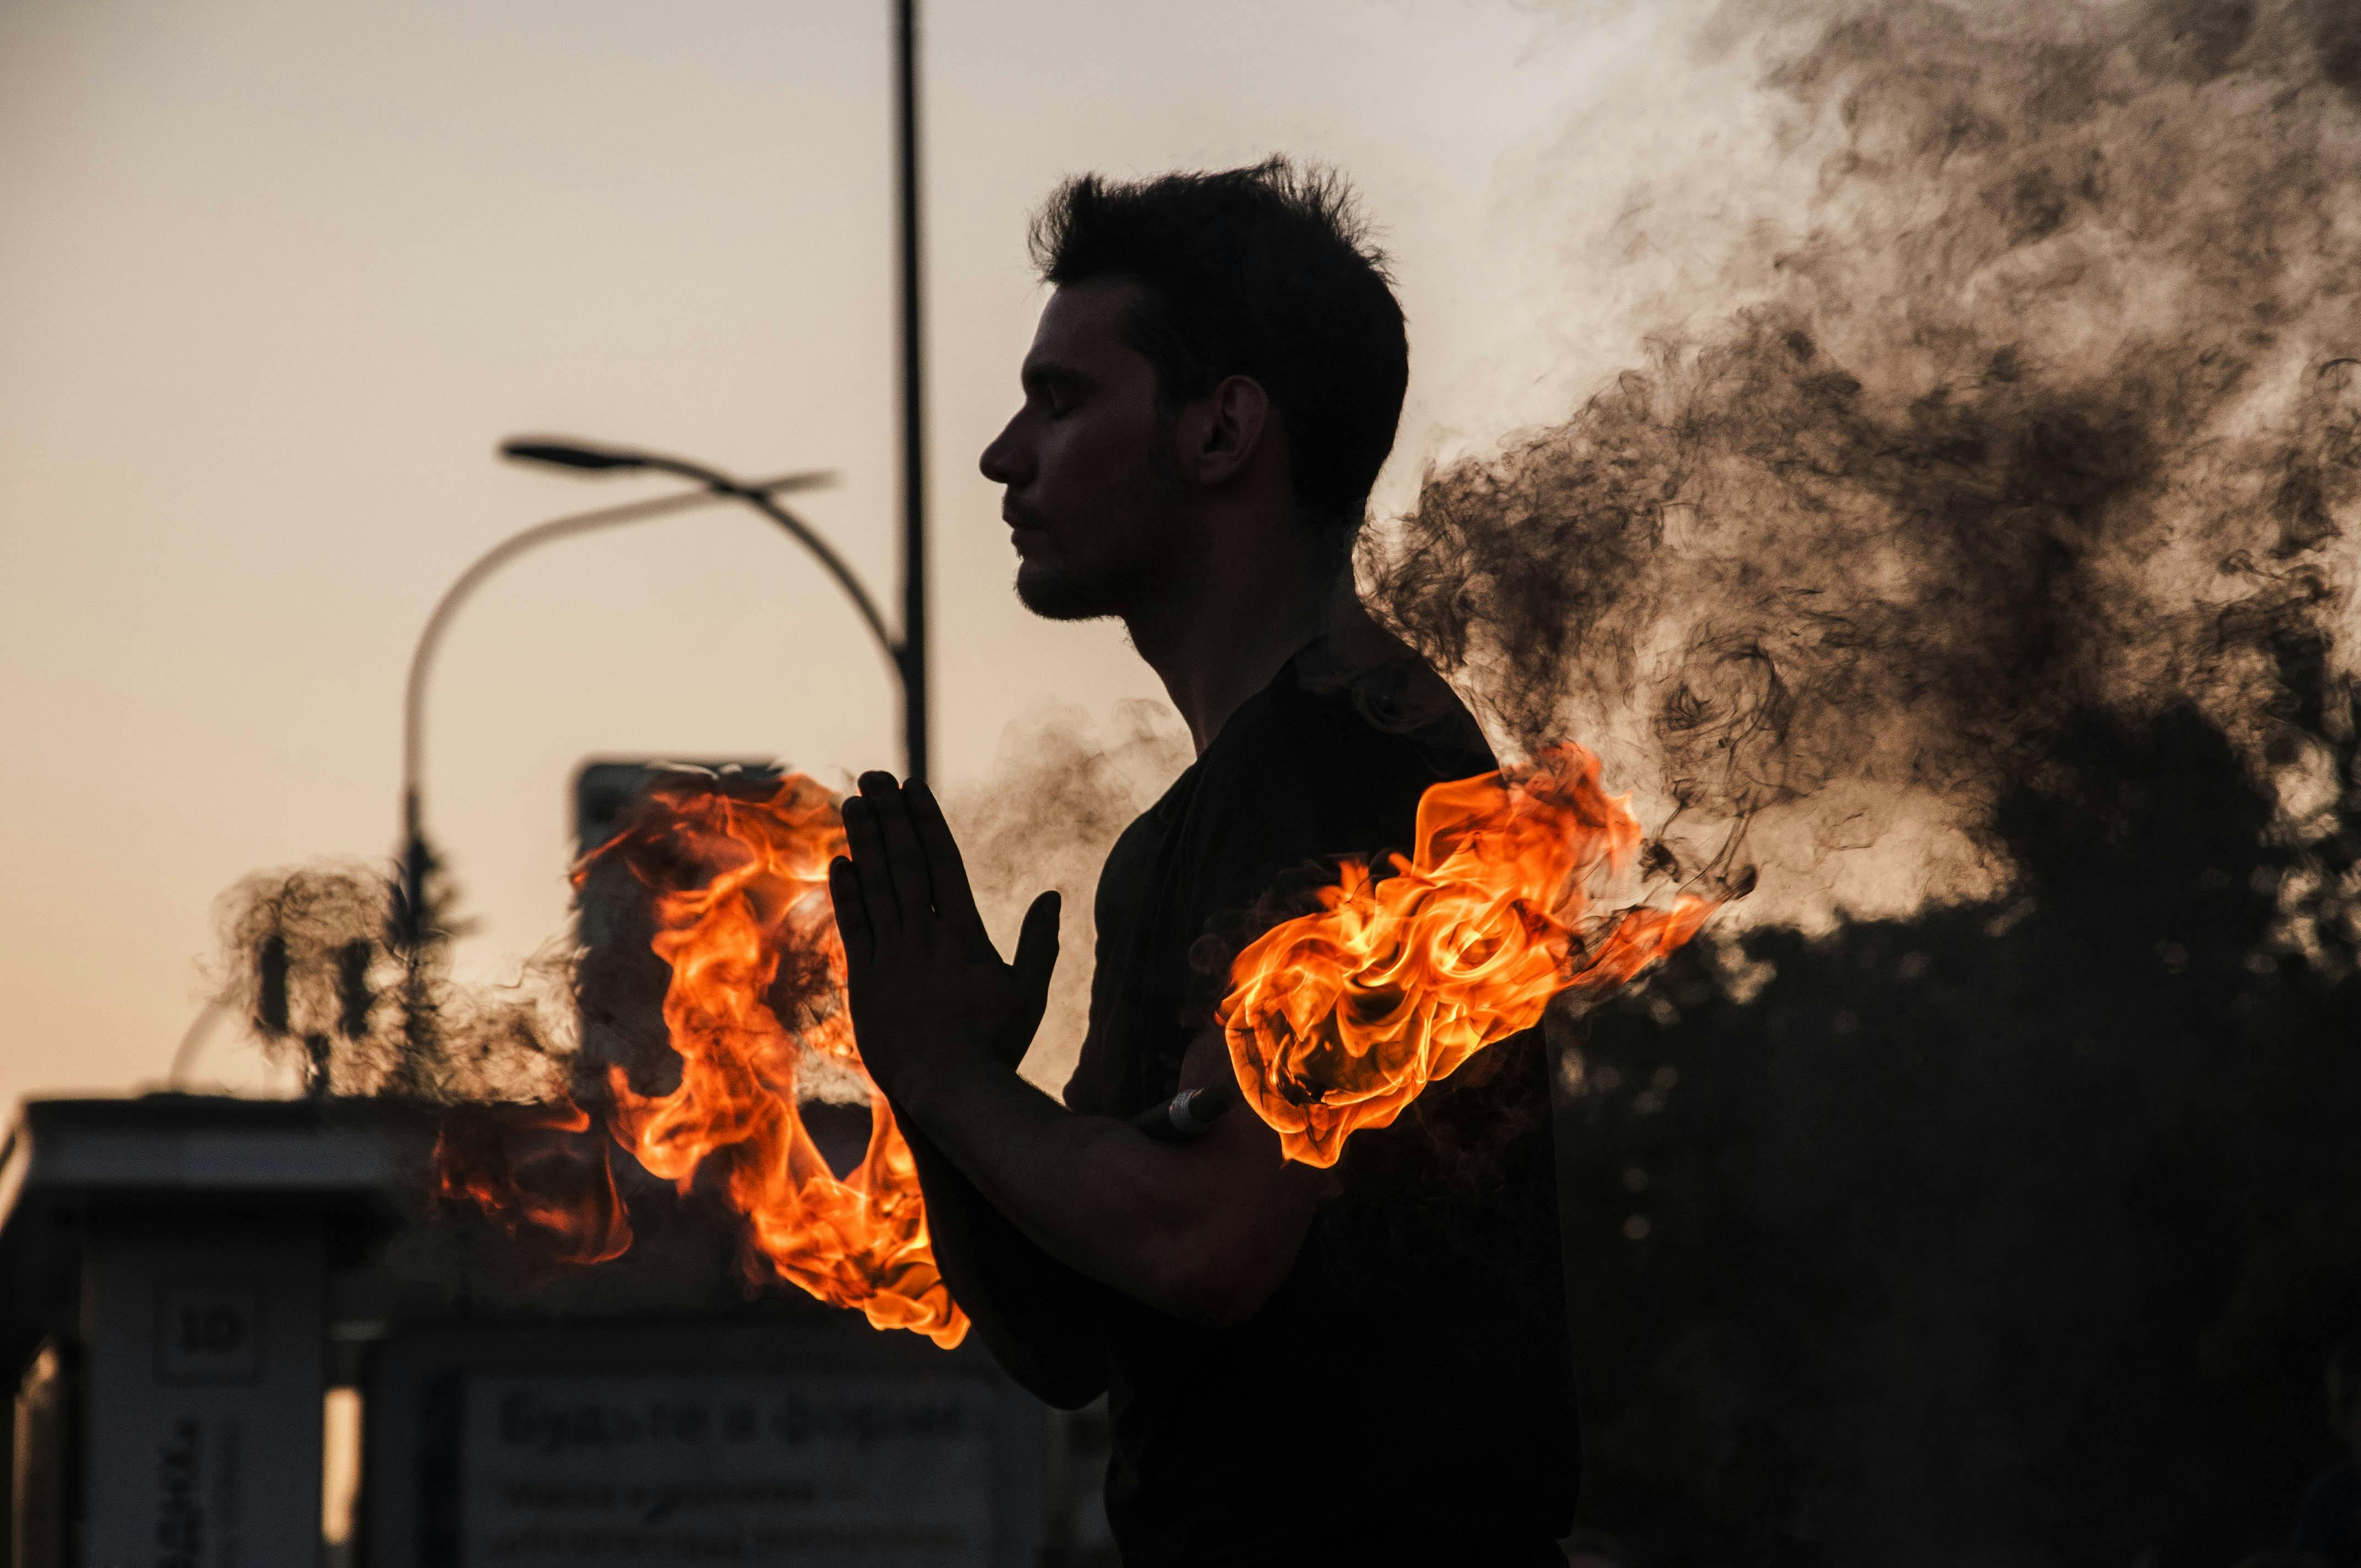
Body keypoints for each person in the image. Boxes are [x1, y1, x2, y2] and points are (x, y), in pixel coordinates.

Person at [826, 160, 1579, 1565]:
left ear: (1222, 425)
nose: (1003, 454)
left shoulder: (1364, 771)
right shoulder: (1184, 834)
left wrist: (945, 1077)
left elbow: (1204, 1242)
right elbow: (1065, 1332)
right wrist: (945, 1089)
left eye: (1062, 401)